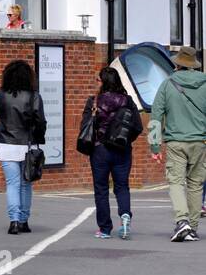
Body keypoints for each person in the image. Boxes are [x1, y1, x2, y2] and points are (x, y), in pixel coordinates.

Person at [149, 47, 206, 242]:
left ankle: (182, 221)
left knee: (175, 182)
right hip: (200, 142)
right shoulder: (205, 84)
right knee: (196, 185)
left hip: (176, 142)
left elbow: (156, 116)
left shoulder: (167, 84)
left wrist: (155, 146)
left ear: (177, 64)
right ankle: (193, 227)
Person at [83, 67, 143, 239]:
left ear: (103, 82)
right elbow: (137, 127)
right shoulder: (128, 101)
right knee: (122, 186)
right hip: (122, 150)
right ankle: (125, 215)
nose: (96, 82)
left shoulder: (94, 101)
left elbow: (85, 125)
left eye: (98, 79)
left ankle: (104, 229)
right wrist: (125, 140)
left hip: (100, 150)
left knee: (101, 189)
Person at [0, 59, 46, 235]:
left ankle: (13, 221)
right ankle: (23, 220)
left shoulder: (0, 95)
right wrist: (39, 137)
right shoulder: (33, 96)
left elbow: (1, 114)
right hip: (27, 143)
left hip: (6, 142)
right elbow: (40, 121)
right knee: (26, 184)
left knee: (12, 184)